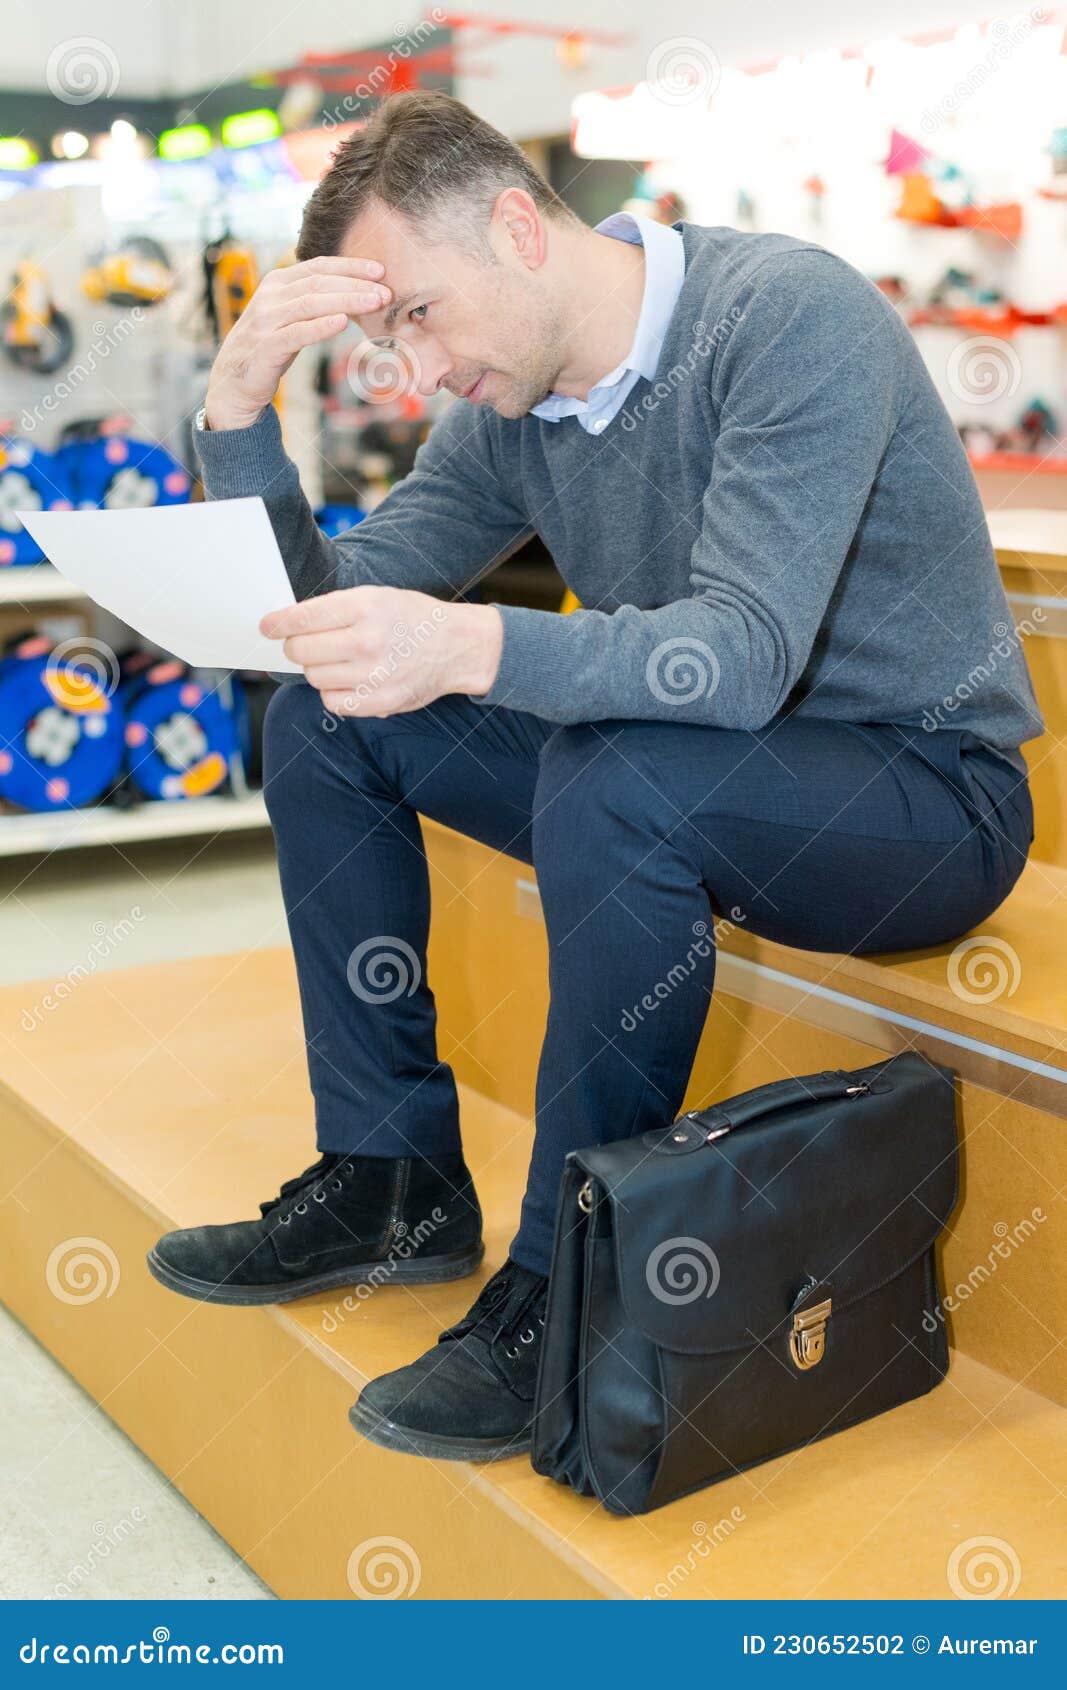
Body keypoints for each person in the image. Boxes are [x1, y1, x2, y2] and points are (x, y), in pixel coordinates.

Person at [148, 90, 1042, 1466]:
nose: (416, 366)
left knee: (617, 773)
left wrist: (471, 641)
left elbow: (740, 659)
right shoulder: (519, 401)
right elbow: (322, 624)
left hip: (921, 798)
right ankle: (390, 1179)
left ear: (518, 225)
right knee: (333, 718)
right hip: (697, 789)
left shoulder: (788, 318)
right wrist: (236, 408)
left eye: (421, 316)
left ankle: (572, 1285)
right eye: (387, 336)